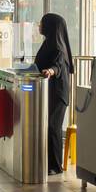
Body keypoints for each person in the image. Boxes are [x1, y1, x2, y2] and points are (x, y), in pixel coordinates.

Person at [34, 13, 74, 176]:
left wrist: (51, 71)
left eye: (42, 23)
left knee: (53, 126)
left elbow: (57, 65)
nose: (39, 26)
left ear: (50, 26)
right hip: (50, 91)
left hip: (58, 94)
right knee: (49, 126)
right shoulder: (48, 43)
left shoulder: (58, 47)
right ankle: (48, 162)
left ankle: (56, 166)